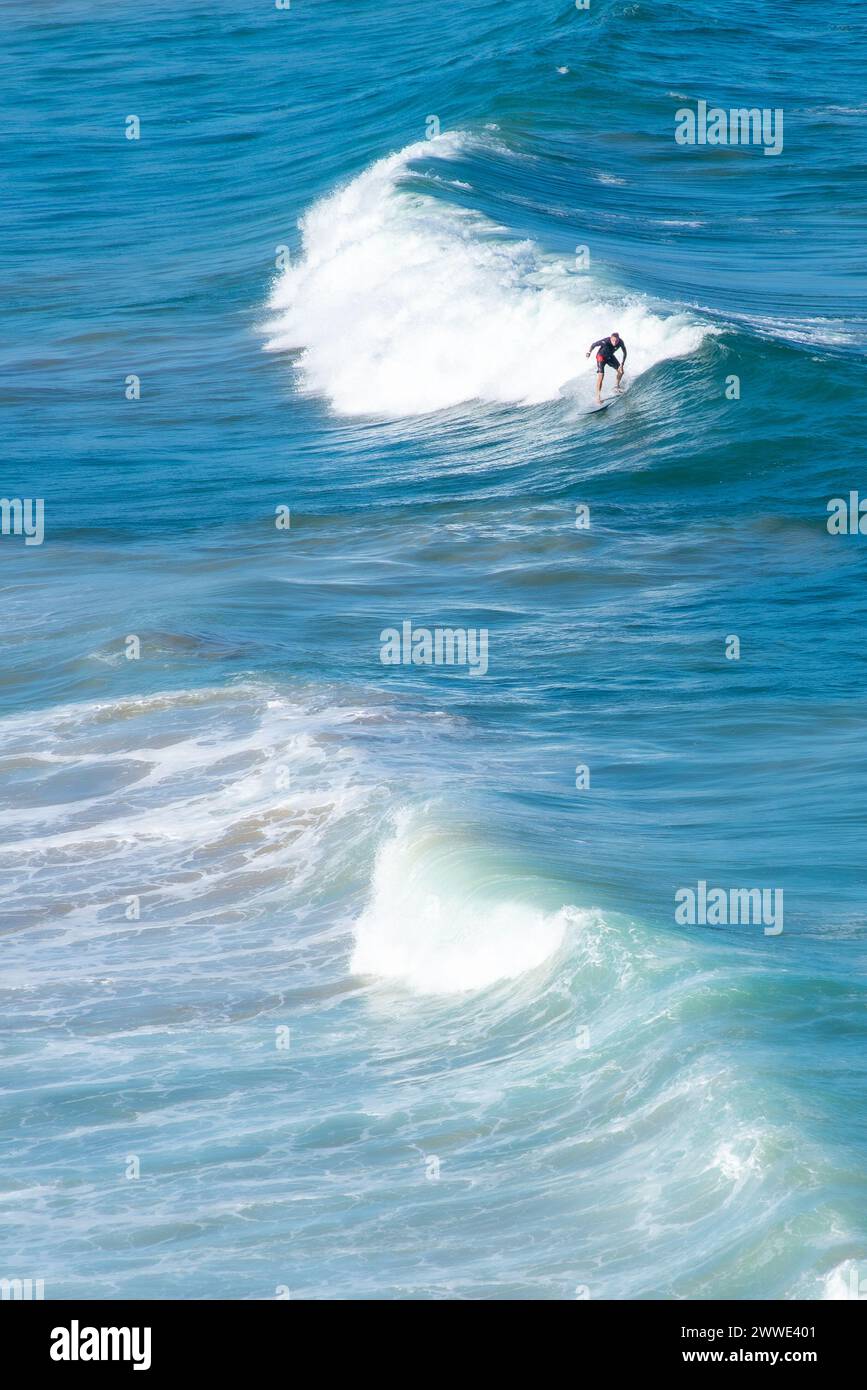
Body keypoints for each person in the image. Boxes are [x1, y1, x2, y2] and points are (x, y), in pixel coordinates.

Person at [586, 332, 626, 403]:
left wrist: (622, 364)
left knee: (621, 371)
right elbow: (593, 345)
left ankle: (616, 386)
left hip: (610, 356)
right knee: (601, 376)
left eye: (616, 341)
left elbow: (625, 352)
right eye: (613, 340)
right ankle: (598, 397)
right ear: (610, 338)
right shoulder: (605, 341)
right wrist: (589, 352)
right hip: (601, 357)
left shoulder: (620, 342)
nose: (615, 343)